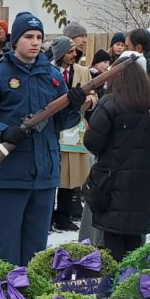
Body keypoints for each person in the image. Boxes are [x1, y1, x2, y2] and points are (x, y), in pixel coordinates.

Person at [0, 11, 85, 264]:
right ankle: (5, 298)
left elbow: (61, 123)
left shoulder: (51, 76)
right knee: (5, 249)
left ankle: (31, 298)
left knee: (36, 251)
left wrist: (74, 106)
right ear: (15, 39)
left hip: (45, 175)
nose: (35, 42)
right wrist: (2, 130)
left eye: (39, 37)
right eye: (28, 36)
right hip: (10, 172)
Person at [83, 54, 150, 261]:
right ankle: (132, 284)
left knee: (112, 242)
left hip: (112, 180)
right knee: (134, 245)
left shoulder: (110, 103)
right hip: (143, 182)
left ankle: (115, 287)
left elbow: (93, 142)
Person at [51, 37, 93, 231]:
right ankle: (48, 215)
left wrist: (88, 102)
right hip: (53, 127)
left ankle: (64, 215)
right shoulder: (48, 72)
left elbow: (93, 93)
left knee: (70, 174)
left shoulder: (83, 72)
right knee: (53, 172)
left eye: (75, 51)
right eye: (69, 52)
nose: (74, 55)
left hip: (75, 128)